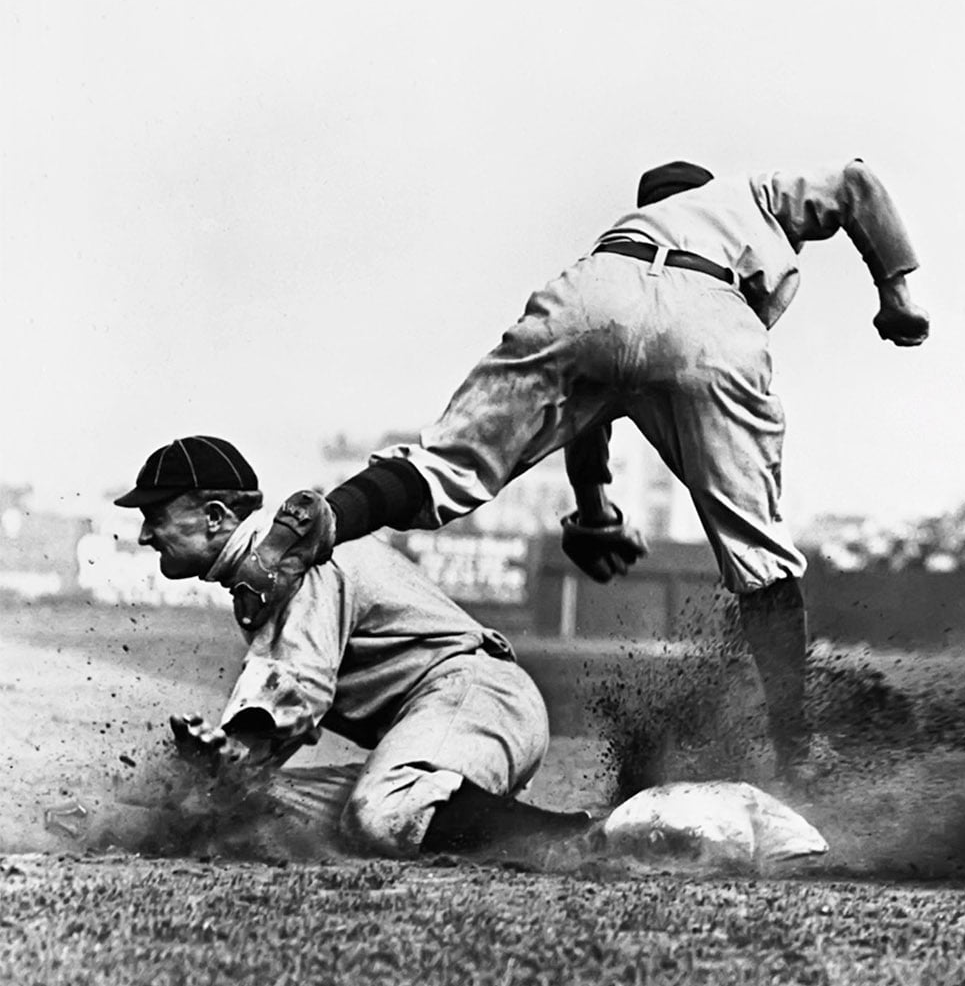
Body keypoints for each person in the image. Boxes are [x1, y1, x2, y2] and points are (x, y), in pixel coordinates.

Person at [226, 158, 929, 775]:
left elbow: (586, 412)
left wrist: (595, 512)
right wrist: (895, 295)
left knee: (446, 464)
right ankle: (796, 749)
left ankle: (330, 514)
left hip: (587, 301)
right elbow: (857, 181)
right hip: (710, 316)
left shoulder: (624, 236)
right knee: (761, 556)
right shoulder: (749, 195)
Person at [118, 435, 589, 858]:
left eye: (155, 516)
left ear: (215, 516)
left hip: (475, 697)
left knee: (382, 813)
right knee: (247, 809)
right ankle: (457, 809)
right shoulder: (268, 572)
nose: (144, 534)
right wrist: (210, 776)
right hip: (443, 723)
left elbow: (297, 689)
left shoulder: (300, 560)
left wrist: (234, 750)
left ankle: (586, 838)